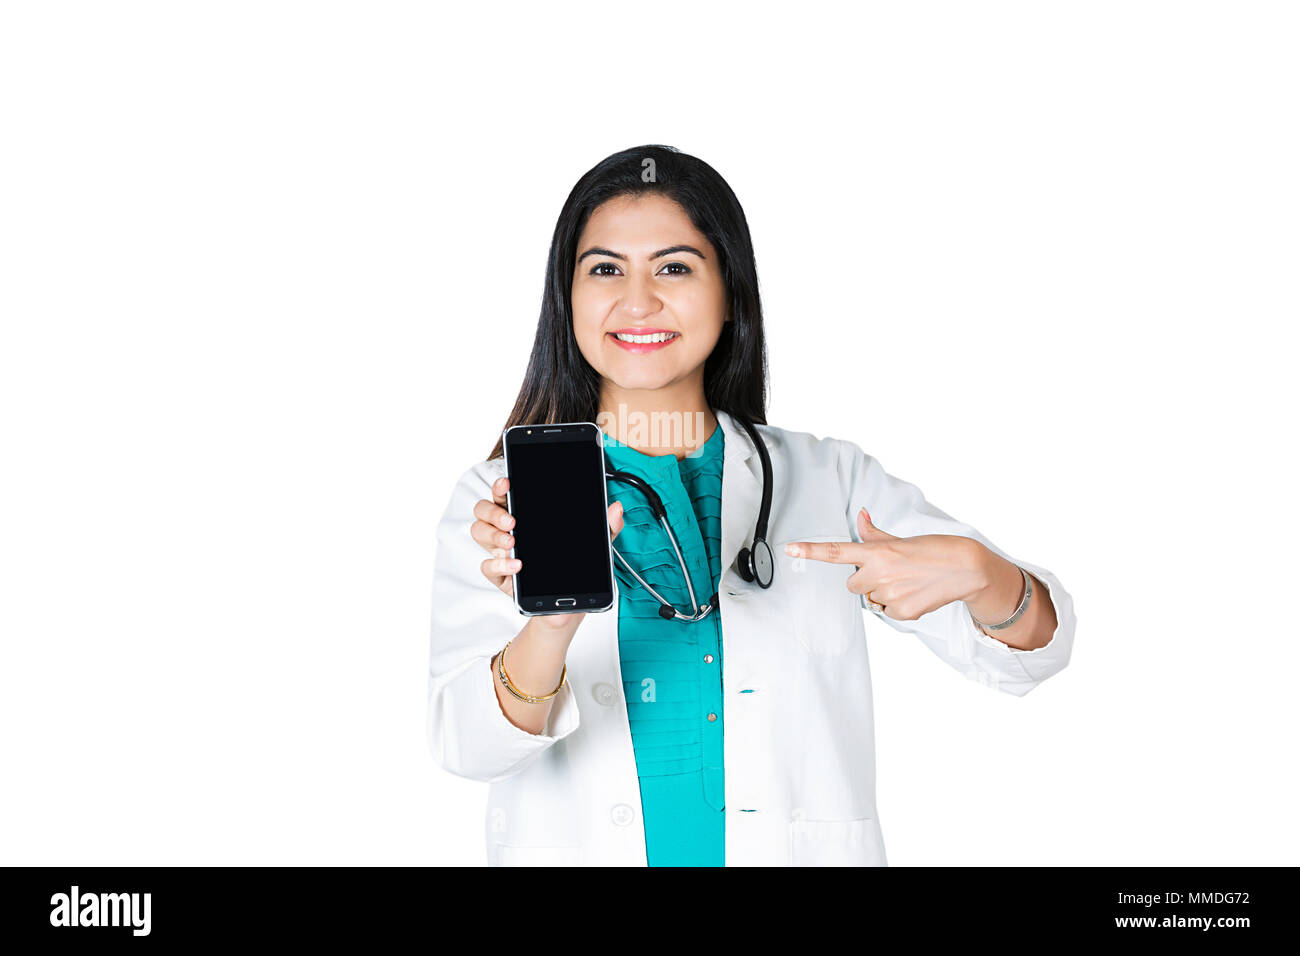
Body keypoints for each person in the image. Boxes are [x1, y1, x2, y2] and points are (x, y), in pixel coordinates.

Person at [426, 144, 1076, 866]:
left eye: (674, 267)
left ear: (730, 293)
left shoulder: (829, 479)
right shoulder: (499, 500)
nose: (637, 300)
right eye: (605, 269)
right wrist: (550, 624)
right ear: (567, 298)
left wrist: (986, 577)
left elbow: (1030, 659)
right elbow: (468, 748)